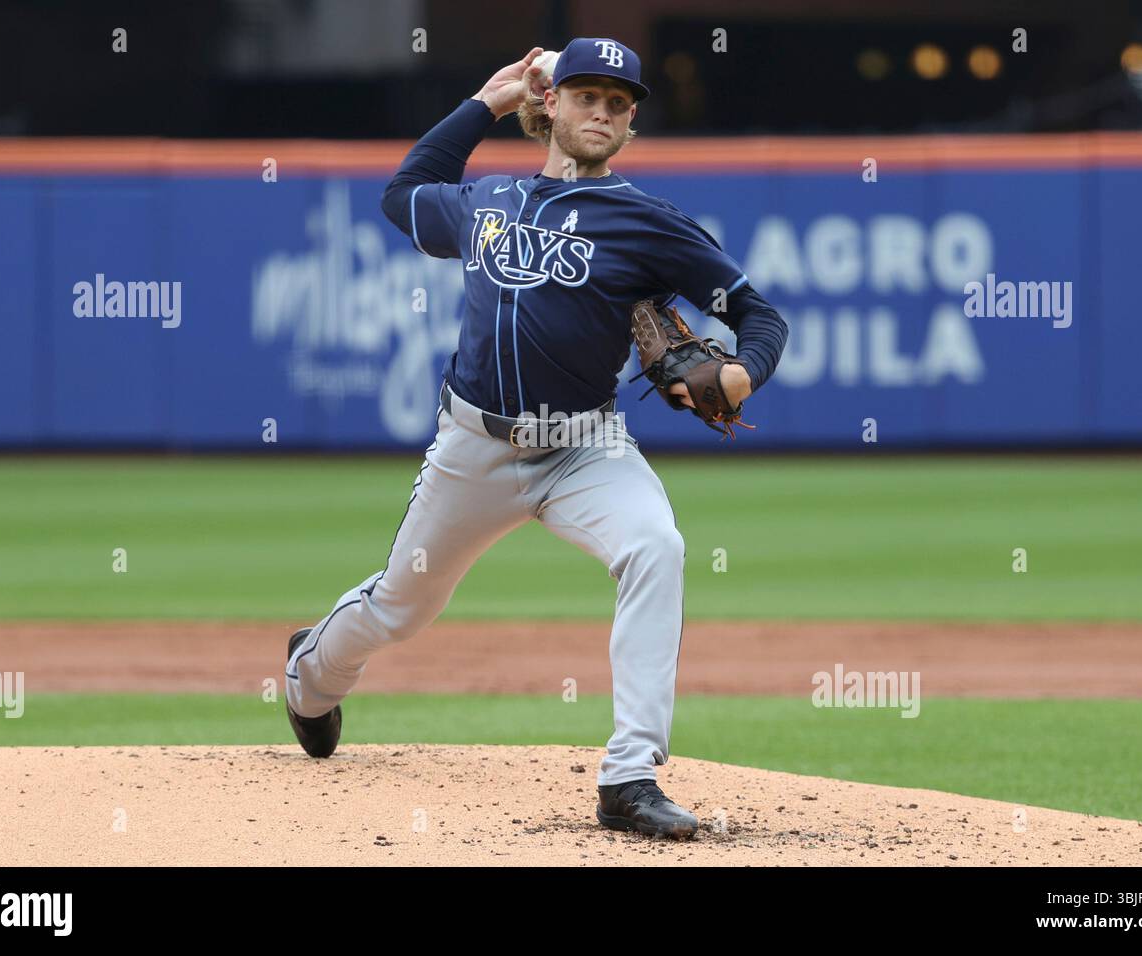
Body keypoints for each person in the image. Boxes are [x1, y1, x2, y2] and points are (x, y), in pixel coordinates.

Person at [285, 38, 787, 839]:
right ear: (550, 104)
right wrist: (486, 101)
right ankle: (309, 675)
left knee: (655, 545)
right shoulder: (485, 202)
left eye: (620, 103)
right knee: (401, 609)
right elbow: (403, 193)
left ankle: (629, 776)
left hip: (586, 446)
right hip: (474, 450)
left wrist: (746, 372)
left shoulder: (650, 223)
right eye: (588, 94)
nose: (605, 111)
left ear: (629, 125)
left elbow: (760, 315)